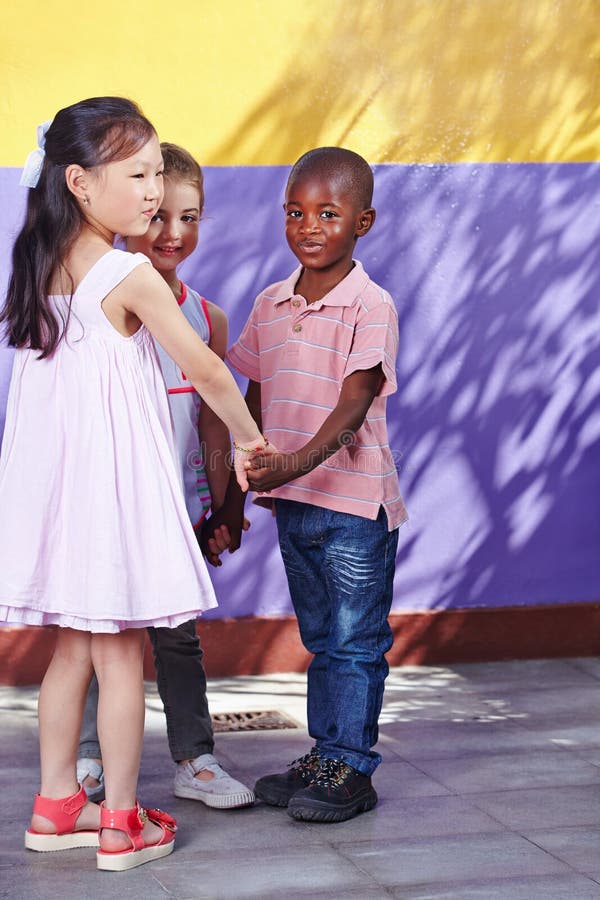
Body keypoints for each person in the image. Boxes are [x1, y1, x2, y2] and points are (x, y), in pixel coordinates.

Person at [0, 97, 270, 872]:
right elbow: (207, 366)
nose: (155, 191)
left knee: (70, 655)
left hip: (57, 499)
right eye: (141, 173)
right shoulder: (125, 271)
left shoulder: (38, 263)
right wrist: (250, 441)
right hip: (108, 498)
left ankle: (57, 805)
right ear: (80, 182)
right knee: (120, 656)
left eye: (159, 172)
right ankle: (120, 820)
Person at [206, 146, 407, 824]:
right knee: (322, 637)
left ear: (364, 222)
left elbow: (354, 404)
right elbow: (252, 405)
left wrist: (294, 464)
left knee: (356, 640)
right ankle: (327, 755)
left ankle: (352, 767)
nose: (310, 226)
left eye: (329, 212)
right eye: (296, 212)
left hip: (353, 506)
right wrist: (230, 503)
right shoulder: (271, 301)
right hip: (294, 507)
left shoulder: (369, 305)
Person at [76, 142, 254, 811]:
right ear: (131, 213)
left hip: (174, 510)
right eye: (160, 218)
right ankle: (89, 763)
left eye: (192, 218)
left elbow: (213, 424)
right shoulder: (102, 304)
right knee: (99, 633)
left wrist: (220, 506)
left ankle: (196, 758)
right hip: (107, 504)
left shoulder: (207, 319)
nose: (174, 233)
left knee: (179, 639)